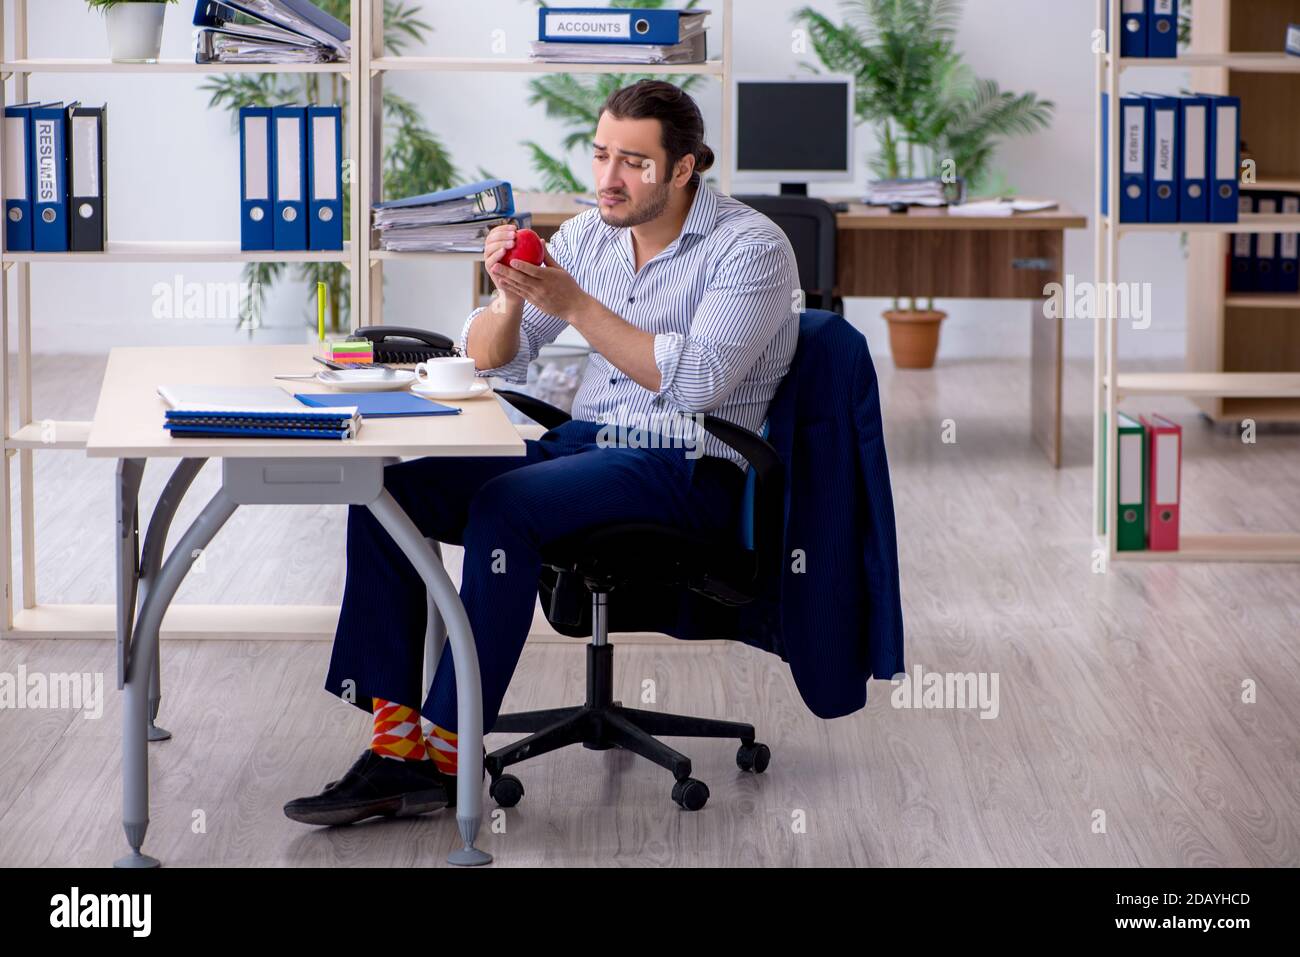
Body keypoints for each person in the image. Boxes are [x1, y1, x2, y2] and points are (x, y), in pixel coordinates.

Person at [284, 79, 799, 826]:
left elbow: (696, 381)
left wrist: (577, 306)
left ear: (683, 169)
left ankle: (450, 752)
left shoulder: (750, 248)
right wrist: (509, 296)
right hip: (588, 447)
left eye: (633, 162)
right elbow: (492, 357)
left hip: (689, 463)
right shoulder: (592, 234)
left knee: (507, 505)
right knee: (384, 493)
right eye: (600, 156)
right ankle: (399, 748)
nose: (608, 179)